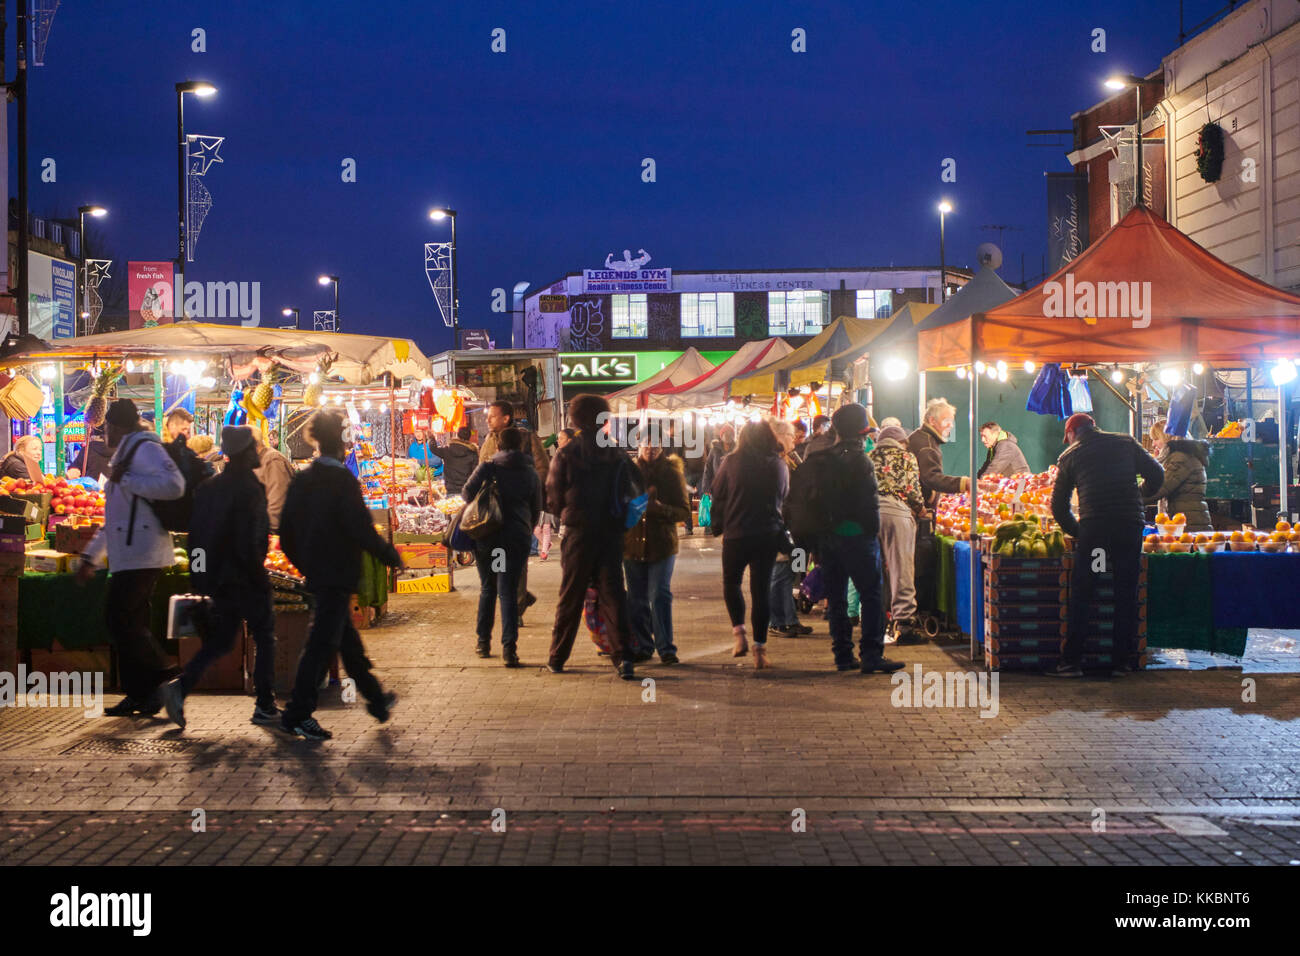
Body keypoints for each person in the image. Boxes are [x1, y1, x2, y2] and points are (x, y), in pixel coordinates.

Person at [278, 411, 403, 739]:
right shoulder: (341, 481)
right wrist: (389, 554)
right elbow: (360, 528)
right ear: (343, 441)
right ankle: (297, 713)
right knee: (320, 646)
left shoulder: (303, 479)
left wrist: (305, 565)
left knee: (347, 644)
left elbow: (287, 531)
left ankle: (376, 700)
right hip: (337, 574)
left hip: (320, 574)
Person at [160, 426, 278, 729]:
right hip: (244, 578)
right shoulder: (250, 489)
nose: (256, 452)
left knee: (222, 640)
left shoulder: (210, 488)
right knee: (264, 637)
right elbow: (250, 540)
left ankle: (181, 687)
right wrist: (257, 576)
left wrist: (198, 577)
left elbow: (195, 538)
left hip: (218, 579)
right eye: (252, 448)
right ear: (243, 453)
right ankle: (264, 704)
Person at [76, 399, 186, 716]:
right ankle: (142, 695)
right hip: (130, 551)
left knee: (119, 618)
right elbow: (115, 515)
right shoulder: (125, 451)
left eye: (107, 426)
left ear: (118, 426)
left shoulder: (144, 448)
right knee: (129, 622)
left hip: (143, 551)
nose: (104, 432)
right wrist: (91, 557)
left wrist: (127, 480)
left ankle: (164, 672)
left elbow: (174, 485)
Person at [1049, 413, 1164, 678]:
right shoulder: (1126, 443)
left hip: (1097, 533)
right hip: (1128, 530)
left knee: (1087, 587)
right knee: (1125, 590)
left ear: (1072, 433)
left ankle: (1072, 662)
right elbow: (1157, 474)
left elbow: (1058, 506)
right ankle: (1121, 663)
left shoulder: (1070, 456)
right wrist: (1138, 495)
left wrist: (1078, 531)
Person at [804, 404, 903, 674]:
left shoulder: (822, 458)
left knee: (836, 598)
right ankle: (871, 654)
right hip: (859, 539)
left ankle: (843, 655)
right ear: (861, 433)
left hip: (829, 539)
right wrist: (873, 533)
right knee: (871, 595)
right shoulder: (861, 461)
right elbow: (868, 504)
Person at [546, 393, 638, 680]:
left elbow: (553, 496)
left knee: (570, 596)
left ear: (574, 418)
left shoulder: (566, 453)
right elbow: (633, 490)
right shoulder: (615, 453)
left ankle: (557, 657)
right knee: (613, 595)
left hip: (578, 533)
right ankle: (623, 659)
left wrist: (565, 511)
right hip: (610, 533)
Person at [709, 420, 788, 669]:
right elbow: (784, 495)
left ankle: (739, 634)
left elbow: (717, 492)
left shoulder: (731, 462)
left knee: (731, 583)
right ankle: (760, 650)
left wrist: (719, 526)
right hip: (767, 534)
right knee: (760, 590)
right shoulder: (778, 464)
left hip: (735, 534)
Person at [461, 426, 542, 667]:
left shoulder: (489, 467)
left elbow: (466, 493)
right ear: (521, 446)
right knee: (507, 591)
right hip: (516, 538)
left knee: (489, 588)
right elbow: (536, 509)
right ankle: (509, 650)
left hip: (490, 537)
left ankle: (483, 642)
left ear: (498, 446)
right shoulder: (530, 473)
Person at [479, 401, 550, 620]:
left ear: (506, 418)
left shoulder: (526, 438)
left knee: (517, 562)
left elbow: (542, 469)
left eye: (492, 416)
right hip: (493, 513)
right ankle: (517, 598)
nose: (488, 420)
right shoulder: (488, 440)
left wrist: (529, 501)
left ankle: (516, 606)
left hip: (519, 512)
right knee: (498, 561)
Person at [623, 436, 690, 664]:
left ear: (662, 448)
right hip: (632, 545)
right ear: (638, 447)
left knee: (659, 594)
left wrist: (660, 509)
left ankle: (666, 648)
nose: (650, 449)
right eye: (646, 445)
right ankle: (644, 646)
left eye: (655, 446)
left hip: (661, 545)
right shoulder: (628, 473)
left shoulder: (671, 474)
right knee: (636, 598)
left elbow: (683, 511)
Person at [869, 425, 927, 644]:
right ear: (901, 441)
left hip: (869, 514)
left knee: (873, 571)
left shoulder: (868, 456)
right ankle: (904, 624)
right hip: (897, 513)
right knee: (900, 568)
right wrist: (920, 508)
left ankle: (875, 622)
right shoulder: (906, 456)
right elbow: (912, 489)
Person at [767, 420, 811, 639]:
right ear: (778, 437)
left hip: (798, 524)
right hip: (781, 524)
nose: (794, 440)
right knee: (781, 572)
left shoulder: (791, 460)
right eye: (790, 436)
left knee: (794, 571)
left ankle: (791, 618)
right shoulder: (771, 462)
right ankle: (777, 621)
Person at [1144, 426, 1212, 532]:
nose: (1153, 444)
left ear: (1168, 438)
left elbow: (1160, 487)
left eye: (1156, 439)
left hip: (1188, 527)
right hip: (1186, 524)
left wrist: (1130, 500)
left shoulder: (1180, 458)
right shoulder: (1180, 456)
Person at [252, 428, 295, 532]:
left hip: (272, 532)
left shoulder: (272, 460)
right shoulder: (259, 460)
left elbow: (277, 501)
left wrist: (270, 532)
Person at [440, 425, 479, 496]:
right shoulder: (473, 452)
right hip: (466, 490)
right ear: (469, 437)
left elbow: (433, 449)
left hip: (451, 490)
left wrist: (431, 438)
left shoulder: (448, 450)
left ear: (457, 435)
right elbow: (475, 473)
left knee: (450, 506)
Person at [699, 423, 734, 499]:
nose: (728, 435)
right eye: (725, 433)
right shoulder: (714, 450)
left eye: (730, 433)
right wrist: (706, 488)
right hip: (717, 487)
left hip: (733, 488)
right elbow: (708, 469)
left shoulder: (737, 450)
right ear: (721, 435)